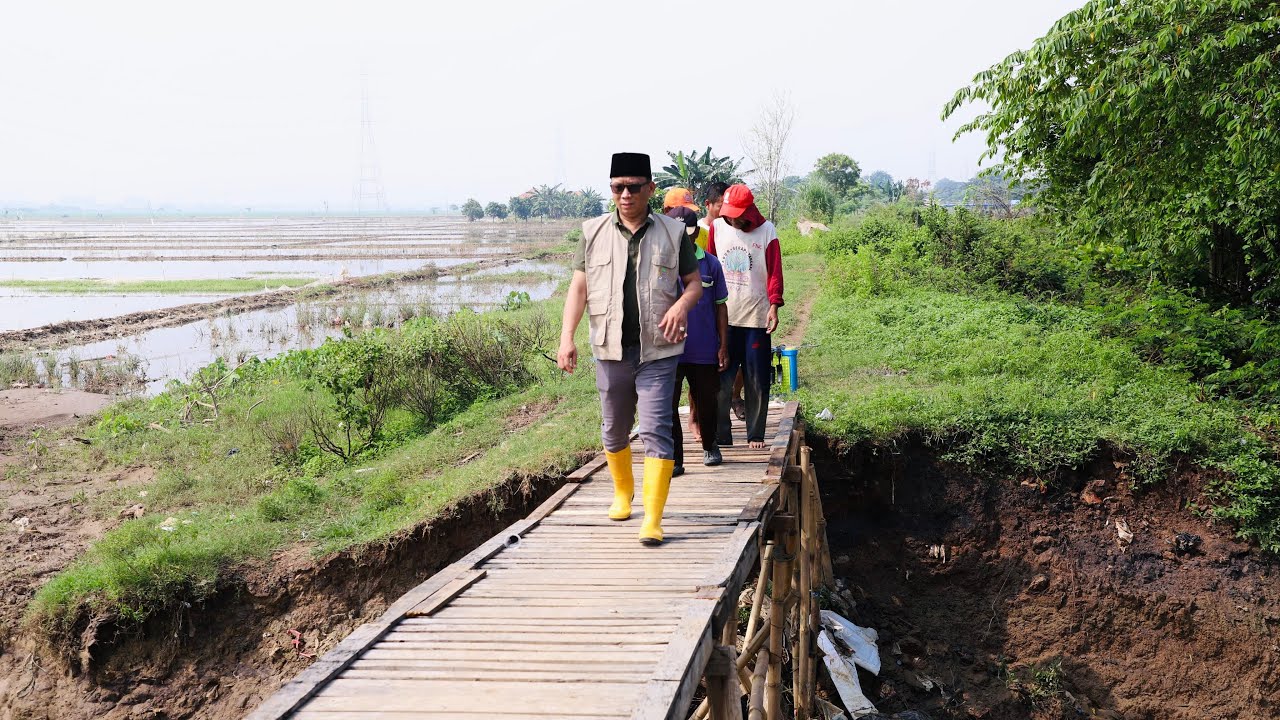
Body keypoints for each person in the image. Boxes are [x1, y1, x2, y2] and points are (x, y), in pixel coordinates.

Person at [558, 152, 702, 545]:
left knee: (657, 429)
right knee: (614, 428)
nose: (624, 195)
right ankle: (623, 492)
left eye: (633, 187)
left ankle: (653, 519)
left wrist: (681, 304)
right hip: (611, 350)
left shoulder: (673, 234)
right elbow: (579, 288)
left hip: (659, 351)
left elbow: (693, 283)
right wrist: (566, 338)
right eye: (617, 187)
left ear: (650, 190)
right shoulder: (592, 233)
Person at [708, 184, 784, 449]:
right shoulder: (717, 228)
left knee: (756, 379)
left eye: (737, 214)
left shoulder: (767, 231)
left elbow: (774, 272)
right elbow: (710, 267)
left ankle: (755, 434)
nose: (732, 218)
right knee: (720, 380)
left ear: (749, 210)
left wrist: (774, 305)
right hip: (724, 318)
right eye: (728, 213)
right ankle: (722, 435)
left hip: (756, 317)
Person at [664, 206, 728, 476]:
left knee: (707, 401)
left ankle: (710, 445)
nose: (683, 242)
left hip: (703, 349)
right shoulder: (661, 265)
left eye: (687, 236)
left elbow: (721, 307)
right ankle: (675, 459)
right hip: (668, 350)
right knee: (667, 405)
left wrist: (723, 345)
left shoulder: (711, 264)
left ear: (696, 234)